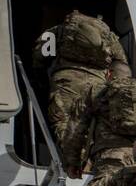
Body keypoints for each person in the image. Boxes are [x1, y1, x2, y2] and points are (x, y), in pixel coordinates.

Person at [33, 10, 127, 170]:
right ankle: (91, 165)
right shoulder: (108, 35)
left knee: (65, 122)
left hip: (67, 81)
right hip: (98, 84)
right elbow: (121, 63)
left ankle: (75, 166)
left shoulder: (57, 30)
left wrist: (40, 75)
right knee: (91, 124)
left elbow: (40, 55)